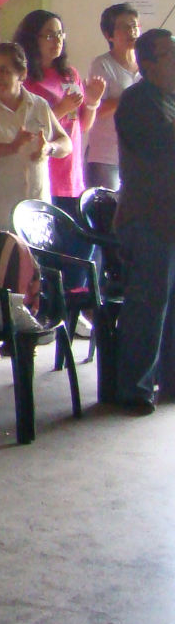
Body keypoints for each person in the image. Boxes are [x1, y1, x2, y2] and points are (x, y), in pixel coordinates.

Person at [112, 29, 175, 414]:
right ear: (148, 63)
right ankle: (135, 388)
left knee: (168, 304)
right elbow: (161, 147)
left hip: (170, 217)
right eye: (169, 54)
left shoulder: (170, 99)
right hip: (148, 218)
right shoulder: (138, 101)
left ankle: (169, 380)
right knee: (147, 304)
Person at [0, 42, 71, 234]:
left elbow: (66, 143)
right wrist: (11, 147)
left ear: (22, 74)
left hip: (34, 214)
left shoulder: (39, 105)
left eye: (4, 71)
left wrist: (49, 148)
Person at [13, 9, 105, 219]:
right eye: (49, 35)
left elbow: (82, 126)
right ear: (32, 39)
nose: (57, 40)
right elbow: (28, 127)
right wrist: (62, 108)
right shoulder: (25, 79)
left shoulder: (69, 74)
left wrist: (92, 102)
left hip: (71, 173)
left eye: (60, 34)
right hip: (44, 171)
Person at [86, 2, 141, 191]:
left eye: (134, 26)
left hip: (138, 154)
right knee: (109, 206)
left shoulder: (147, 66)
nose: (131, 31)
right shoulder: (102, 65)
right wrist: (131, 96)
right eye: (124, 27)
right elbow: (97, 111)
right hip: (107, 156)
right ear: (109, 35)